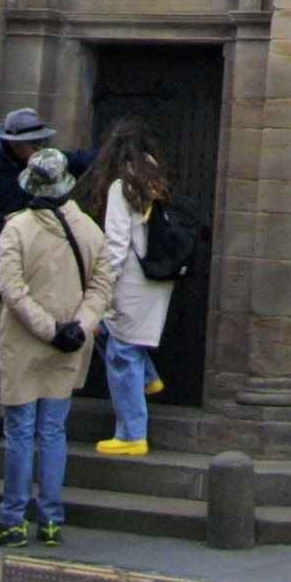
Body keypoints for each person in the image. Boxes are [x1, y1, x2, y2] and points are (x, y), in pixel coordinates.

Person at [0, 147, 111, 548]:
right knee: (53, 431)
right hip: (69, 345)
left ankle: (13, 518)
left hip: (24, 343)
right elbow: (102, 288)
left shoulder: (16, 229)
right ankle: (51, 520)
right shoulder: (89, 230)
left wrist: (49, 329)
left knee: (19, 431)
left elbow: (11, 290)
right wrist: (78, 328)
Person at [0, 106, 90, 441]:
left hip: (22, 270)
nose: (39, 148)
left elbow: (78, 160)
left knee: (8, 344)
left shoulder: (36, 168)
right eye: (34, 143)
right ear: (15, 144)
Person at [76, 121, 173, 457]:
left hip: (131, 280)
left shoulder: (123, 186)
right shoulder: (153, 178)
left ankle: (132, 433)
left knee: (121, 352)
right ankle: (147, 376)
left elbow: (116, 245)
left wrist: (102, 289)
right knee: (112, 337)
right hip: (154, 280)